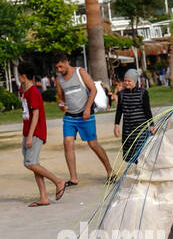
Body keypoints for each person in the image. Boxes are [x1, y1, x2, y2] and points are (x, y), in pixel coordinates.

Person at [54, 52, 112, 184]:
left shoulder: (80, 72)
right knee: (67, 143)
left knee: (93, 144)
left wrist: (87, 108)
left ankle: (110, 171)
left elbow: (93, 89)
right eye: (57, 68)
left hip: (85, 115)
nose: (59, 70)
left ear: (66, 62)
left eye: (60, 67)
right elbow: (60, 98)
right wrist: (61, 105)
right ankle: (73, 178)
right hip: (70, 117)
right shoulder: (59, 79)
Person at [18, 65, 66, 206]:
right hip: (28, 132)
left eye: (19, 76)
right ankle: (43, 197)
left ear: (23, 76)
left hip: (35, 132)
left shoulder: (33, 92)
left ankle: (58, 181)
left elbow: (36, 114)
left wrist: (30, 135)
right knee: (34, 164)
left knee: (30, 163)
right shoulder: (26, 91)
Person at [114, 67, 154, 164]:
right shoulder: (121, 94)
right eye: (125, 81)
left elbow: (147, 110)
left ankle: (141, 173)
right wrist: (116, 125)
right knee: (130, 154)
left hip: (141, 128)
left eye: (129, 81)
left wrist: (152, 124)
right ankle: (134, 172)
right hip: (127, 130)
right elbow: (119, 111)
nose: (126, 83)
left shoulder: (143, 93)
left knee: (141, 153)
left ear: (135, 81)